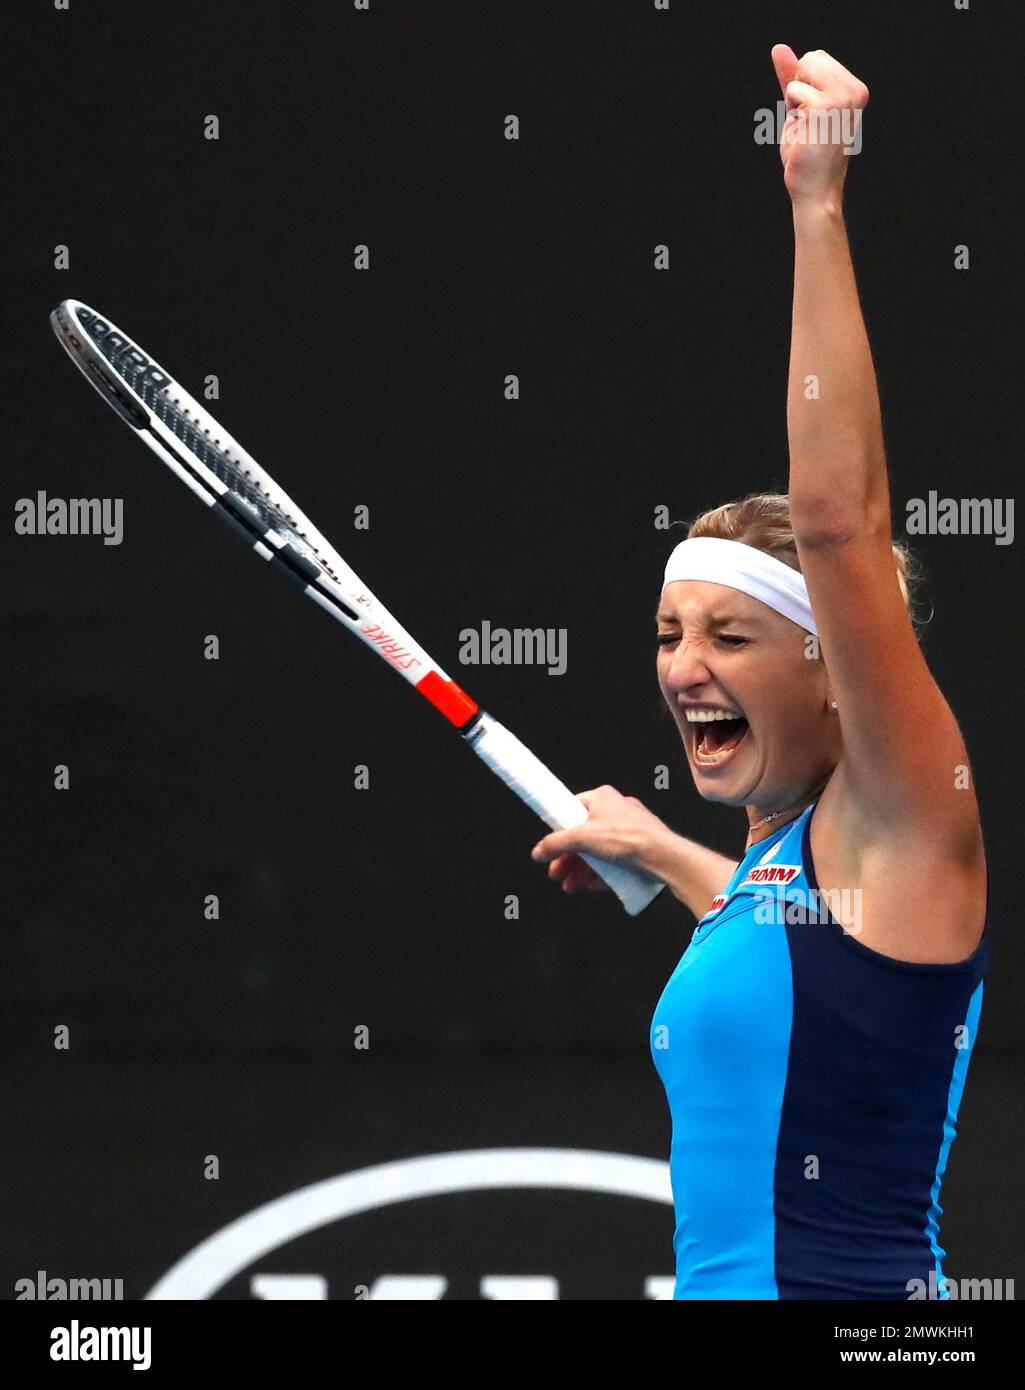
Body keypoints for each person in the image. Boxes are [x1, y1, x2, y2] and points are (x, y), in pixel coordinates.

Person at [530, 44, 987, 1300]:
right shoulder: (801, 869)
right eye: (669, 636)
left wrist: (815, 203)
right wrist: (667, 853)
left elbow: (839, 521)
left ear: (831, 665)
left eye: (728, 637)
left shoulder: (905, 805)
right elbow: (812, 972)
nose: (683, 670)